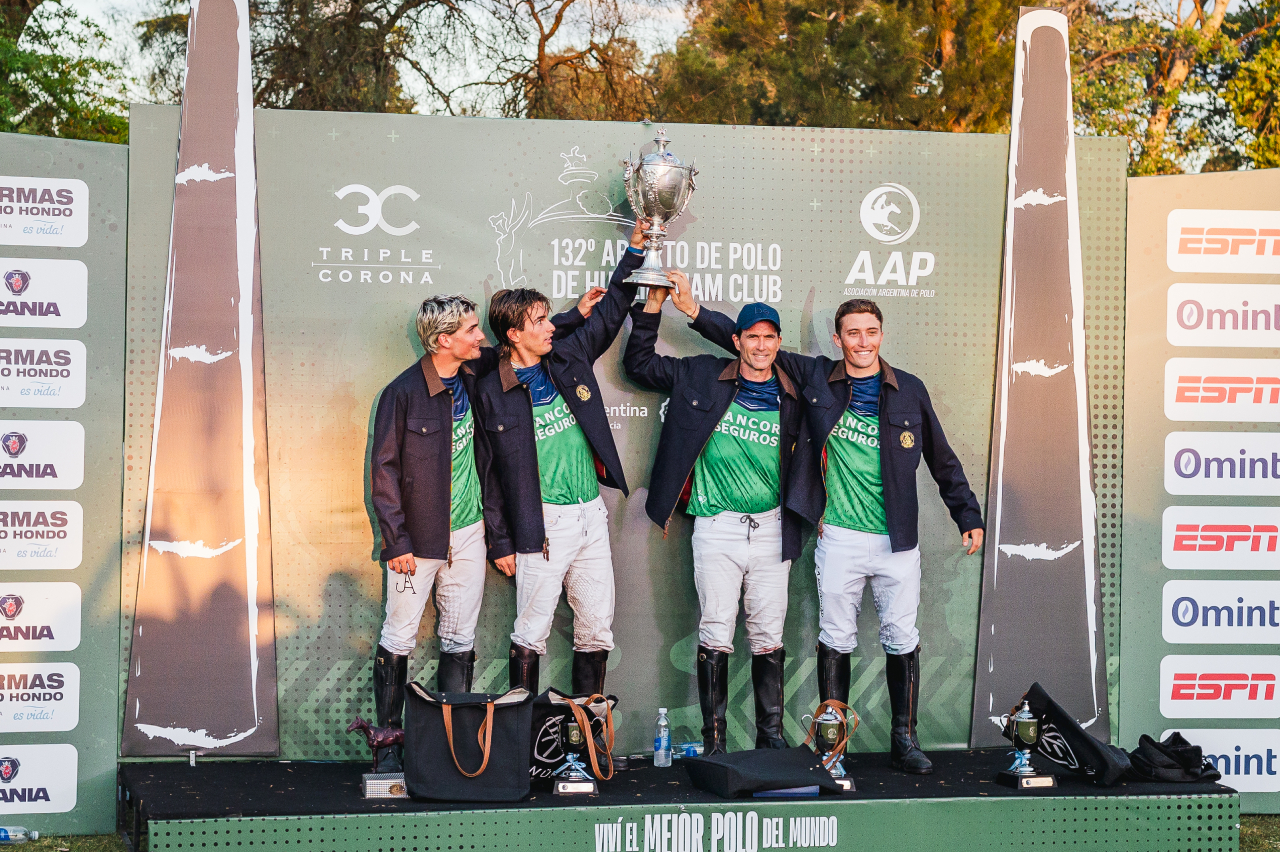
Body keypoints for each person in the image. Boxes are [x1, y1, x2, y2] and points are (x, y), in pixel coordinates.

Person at [702, 297, 983, 775]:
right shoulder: (818, 378)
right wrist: (694, 313)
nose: (862, 342)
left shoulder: (909, 390)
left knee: (901, 636)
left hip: (898, 540)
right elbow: (752, 344)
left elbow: (942, 458)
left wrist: (967, 513)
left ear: (881, 334)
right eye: (852, 333)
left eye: (870, 332)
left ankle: (905, 740)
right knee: (836, 637)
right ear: (838, 339)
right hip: (840, 538)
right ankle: (835, 744)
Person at [369, 289, 604, 771]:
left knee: (460, 638)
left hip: (470, 535)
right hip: (417, 545)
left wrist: (575, 314)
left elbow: (520, 338)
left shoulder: (476, 374)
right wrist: (397, 541)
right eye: (471, 331)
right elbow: (384, 472)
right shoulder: (403, 393)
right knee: (399, 636)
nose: (482, 337)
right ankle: (389, 748)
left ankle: (452, 748)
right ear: (442, 341)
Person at [622, 274, 805, 755]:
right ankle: (715, 742)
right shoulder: (702, 374)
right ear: (737, 340)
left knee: (769, 635)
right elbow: (638, 364)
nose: (761, 346)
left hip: (772, 529)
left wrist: (699, 312)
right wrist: (653, 307)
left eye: (769, 337)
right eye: (752, 337)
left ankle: (770, 741)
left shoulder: (797, 391)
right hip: (717, 526)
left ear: (779, 342)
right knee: (716, 629)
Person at [475, 217, 650, 698]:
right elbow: (487, 475)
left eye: (551, 318)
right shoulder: (491, 388)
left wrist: (633, 253)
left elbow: (612, 312)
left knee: (596, 627)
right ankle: (521, 743)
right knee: (530, 631)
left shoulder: (567, 356)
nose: (551, 327)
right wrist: (500, 540)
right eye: (539, 322)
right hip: (541, 523)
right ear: (512, 334)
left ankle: (585, 738)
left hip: (591, 514)